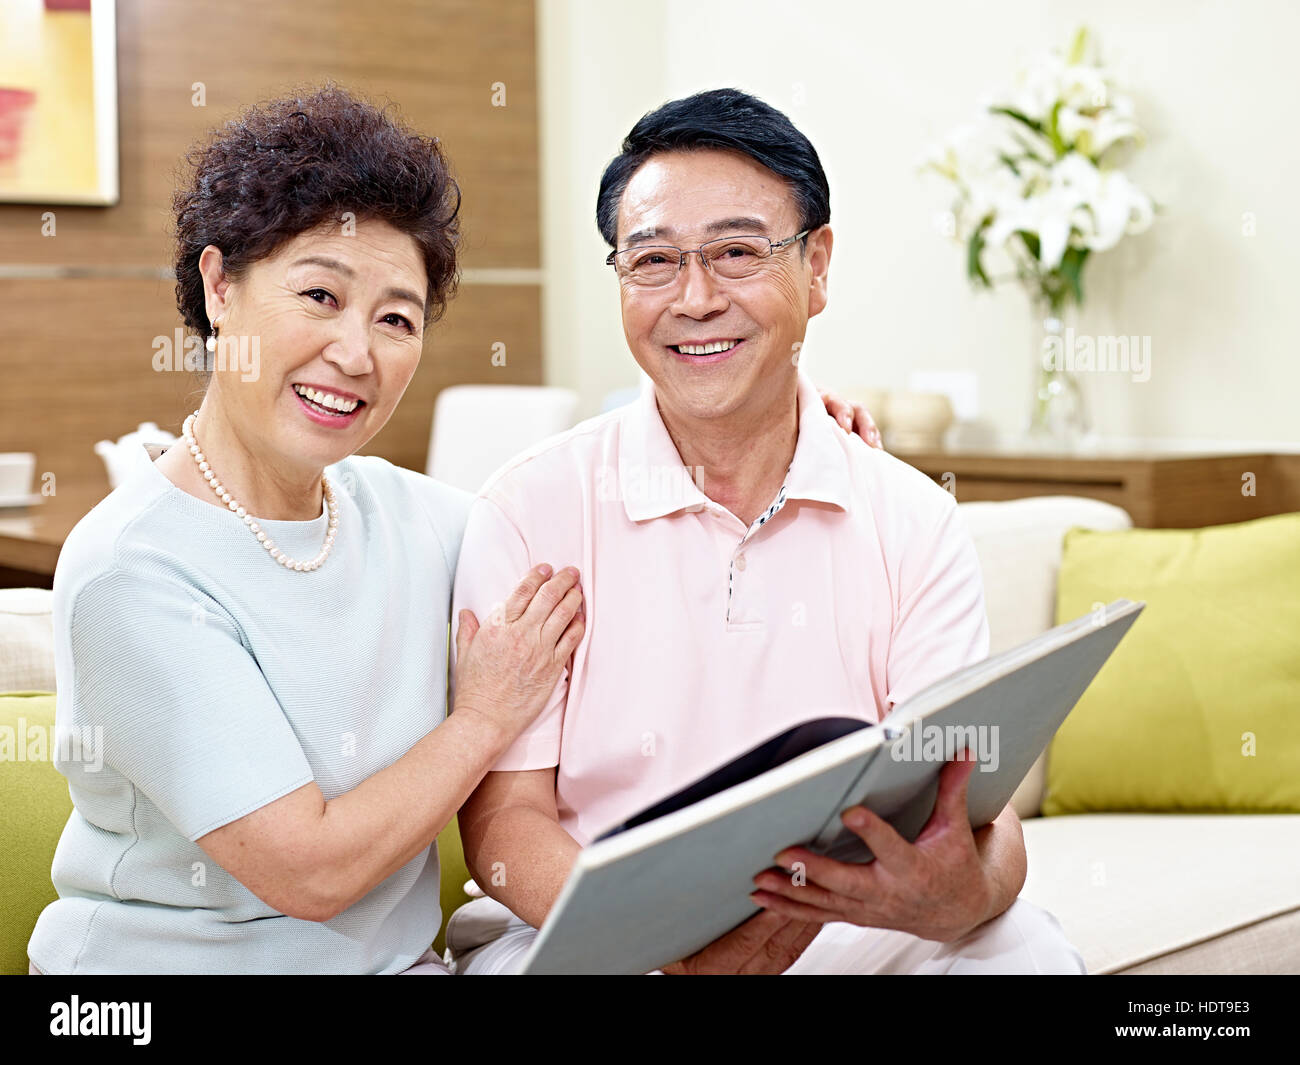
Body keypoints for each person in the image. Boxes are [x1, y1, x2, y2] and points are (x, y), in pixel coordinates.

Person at [26, 84, 876, 975]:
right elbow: (310, 872)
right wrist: (483, 717)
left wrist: (783, 432)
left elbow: (604, 516)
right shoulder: (132, 569)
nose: (357, 353)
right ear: (218, 287)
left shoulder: (419, 519)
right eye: (320, 294)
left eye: (396, 317)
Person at [448, 88, 1087, 975]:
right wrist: (665, 941)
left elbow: (973, 805)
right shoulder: (527, 509)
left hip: (854, 926)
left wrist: (961, 894)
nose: (696, 298)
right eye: (654, 261)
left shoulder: (911, 517)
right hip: (599, 936)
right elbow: (505, 822)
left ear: (817, 267)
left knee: (1021, 952)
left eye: (738, 252)